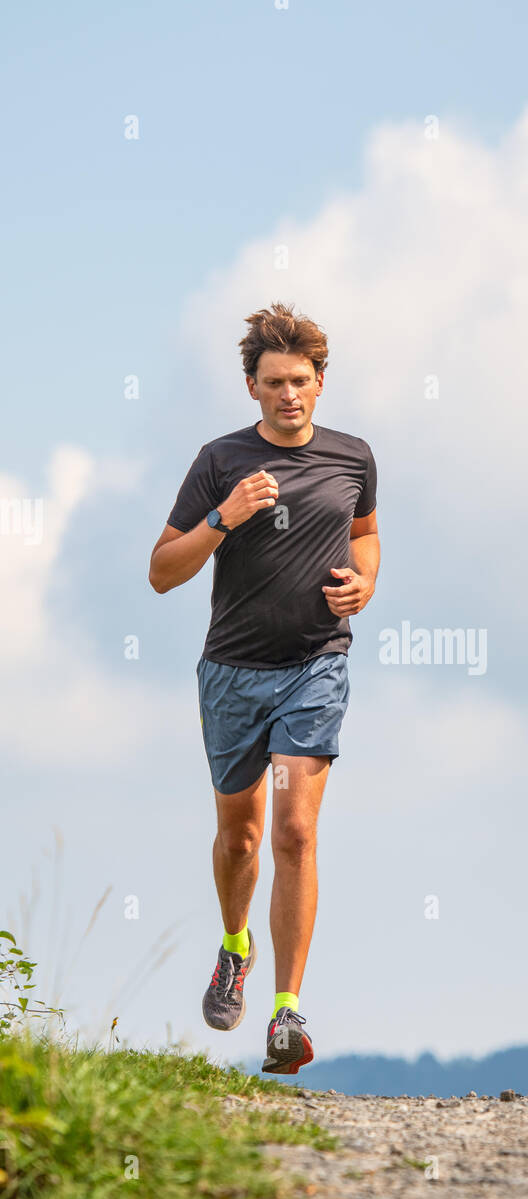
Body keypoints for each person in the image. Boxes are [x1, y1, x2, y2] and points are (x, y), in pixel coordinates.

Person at [149, 301, 379, 1074]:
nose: (290, 395)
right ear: (252, 386)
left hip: (316, 665)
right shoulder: (220, 461)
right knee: (241, 838)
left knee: (295, 832)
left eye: (303, 381)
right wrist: (226, 514)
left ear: (320, 383)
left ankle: (287, 1012)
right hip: (232, 675)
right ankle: (234, 944)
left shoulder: (354, 457)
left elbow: (367, 536)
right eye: (275, 382)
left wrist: (364, 586)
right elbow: (161, 572)